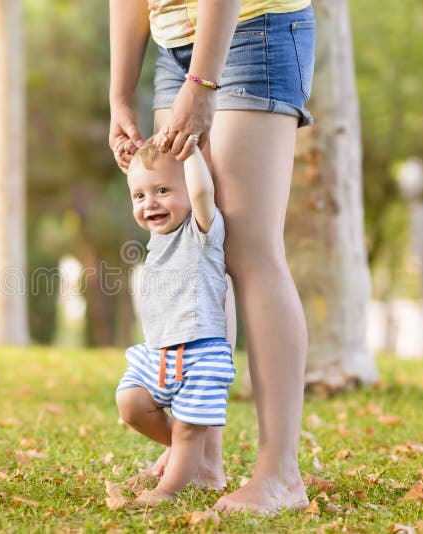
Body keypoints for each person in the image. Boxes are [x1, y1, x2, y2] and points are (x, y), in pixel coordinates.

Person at [109, 0, 315, 515]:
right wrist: (118, 97)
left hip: (253, 26)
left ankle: (280, 474)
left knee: (249, 248)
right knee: (192, 247)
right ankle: (201, 462)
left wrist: (202, 82)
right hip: (172, 43)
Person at [116, 139, 235, 505]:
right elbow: (144, 180)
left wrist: (190, 151)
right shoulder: (156, 239)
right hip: (158, 354)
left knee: (186, 432)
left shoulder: (201, 231)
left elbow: (201, 189)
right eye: (139, 195)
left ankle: (169, 488)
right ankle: (188, 452)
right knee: (130, 402)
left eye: (163, 190)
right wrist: (134, 160)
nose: (149, 202)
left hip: (199, 354)